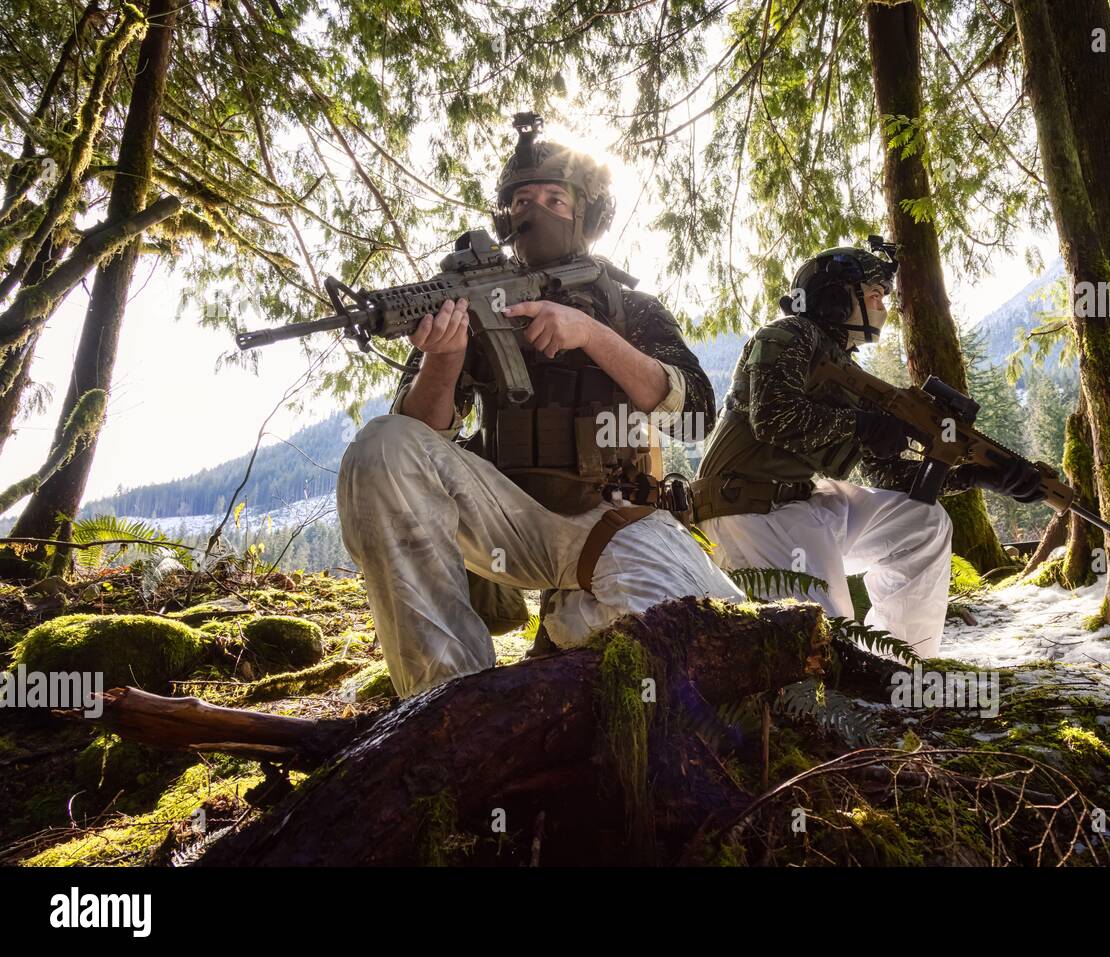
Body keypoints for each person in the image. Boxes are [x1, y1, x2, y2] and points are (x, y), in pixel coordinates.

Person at [337, 114, 741, 698]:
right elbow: (413, 441)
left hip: (612, 520)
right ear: (507, 218)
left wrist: (592, 334)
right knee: (380, 445)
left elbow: (696, 413)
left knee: (715, 646)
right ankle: (448, 704)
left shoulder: (631, 308)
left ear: (585, 212)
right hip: (509, 521)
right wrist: (446, 357)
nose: (539, 209)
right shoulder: (469, 296)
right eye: (524, 199)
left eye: (557, 197)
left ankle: (576, 622)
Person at [691, 243, 1043, 659]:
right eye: (873, 295)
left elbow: (890, 479)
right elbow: (772, 417)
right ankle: (863, 677)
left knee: (922, 524)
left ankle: (903, 663)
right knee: (825, 649)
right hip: (745, 511)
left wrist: (979, 475)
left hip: (802, 503)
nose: (883, 308)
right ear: (837, 299)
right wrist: (862, 424)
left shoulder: (850, 372)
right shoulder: (787, 334)